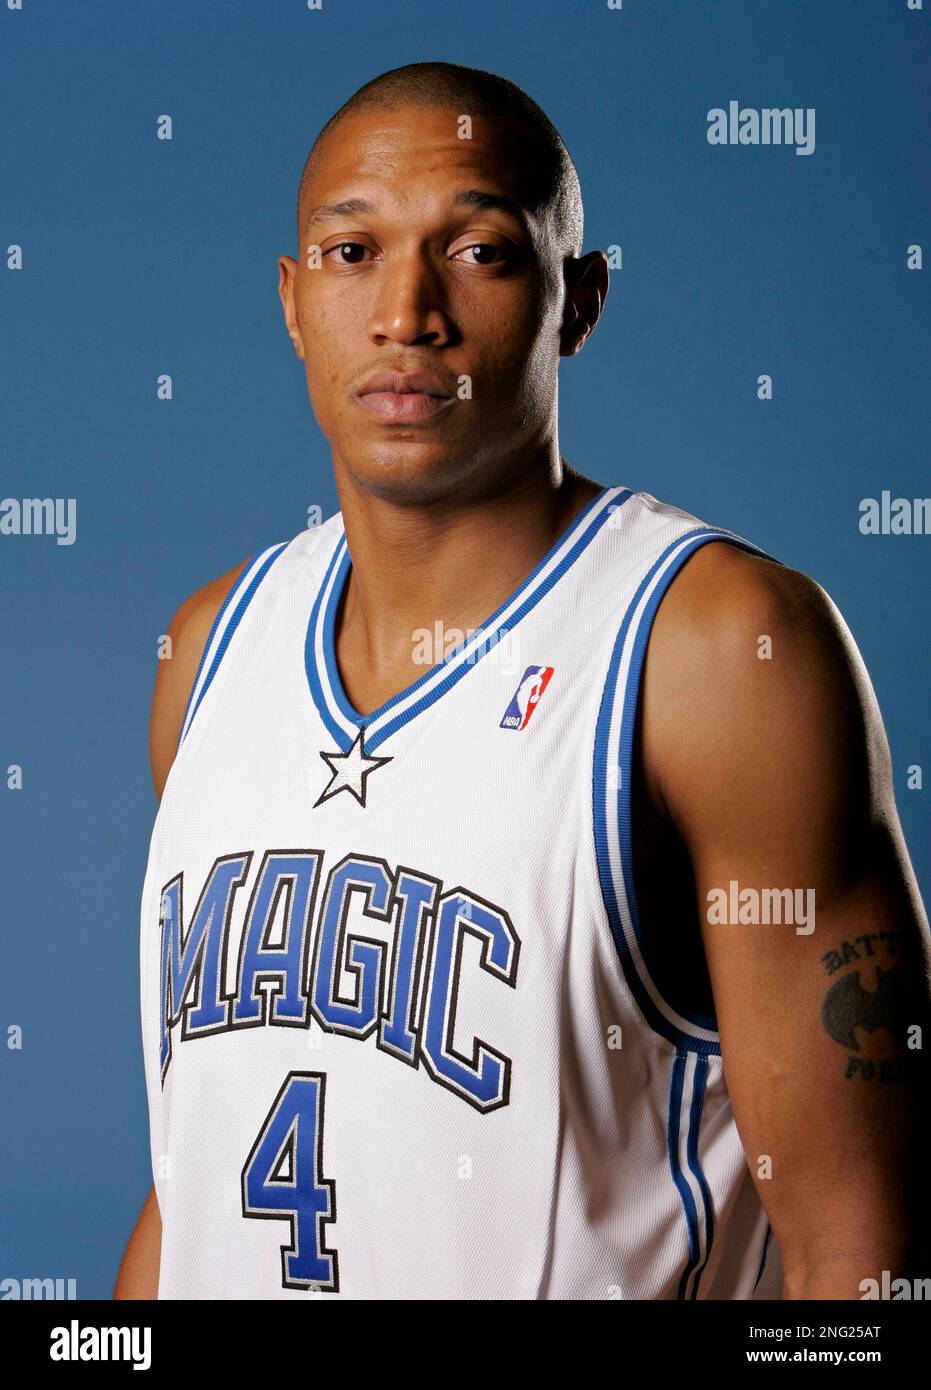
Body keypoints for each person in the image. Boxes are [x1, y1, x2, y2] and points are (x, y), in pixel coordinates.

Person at [114, 61, 929, 1300]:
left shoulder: (715, 651)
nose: (405, 313)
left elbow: (860, 1251)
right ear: (291, 300)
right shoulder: (212, 649)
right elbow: (193, 1185)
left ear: (578, 300)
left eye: (481, 250)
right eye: (351, 253)